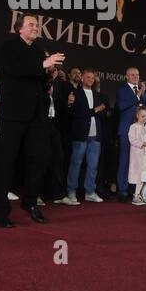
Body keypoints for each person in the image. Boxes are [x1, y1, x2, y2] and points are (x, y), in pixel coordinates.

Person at [0, 13, 61, 227]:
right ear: (19, 28)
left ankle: (29, 202)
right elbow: (13, 70)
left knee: (41, 157)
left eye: (37, 25)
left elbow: (38, 78)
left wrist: (50, 74)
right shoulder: (9, 47)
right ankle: (1, 211)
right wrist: (43, 64)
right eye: (31, 24)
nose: (36, 27)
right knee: (5, 162)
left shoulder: (38, 49)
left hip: (36, 115)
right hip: (13, 114)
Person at [112, 67, 146, 201]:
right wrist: (137, 96)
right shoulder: (122, 90)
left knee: (143, 162)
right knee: (125, 161)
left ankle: (139, 192)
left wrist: (143, 94)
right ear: (126, 76)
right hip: (127, 131)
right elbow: (121, 106)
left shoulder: (142, 90)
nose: (135, 76)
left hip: (143, 132)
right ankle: (123, 191)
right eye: (132, 74)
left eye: (137, 74)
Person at [65, 68, 108, 203]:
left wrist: (95, 111)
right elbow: (77, 114)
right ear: (82, 78)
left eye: (92, 78)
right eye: (88, 77)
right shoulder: (75, 93)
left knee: (93, 165)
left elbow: (102, 114)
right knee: (76, 164)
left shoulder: (97, 94)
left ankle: (90, 191)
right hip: (80, 135)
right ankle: (71, 192)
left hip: (95, 135)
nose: (90, 79)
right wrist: (95, 110)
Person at [127, 105, 146, 204]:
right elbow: (132, 140)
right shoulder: (133, 127)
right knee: (138, 176)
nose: (144, 118)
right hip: (137, 156)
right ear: (137, 115)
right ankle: (136, 195)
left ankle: (144, 195)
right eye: (142, 116)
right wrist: (143, 143)